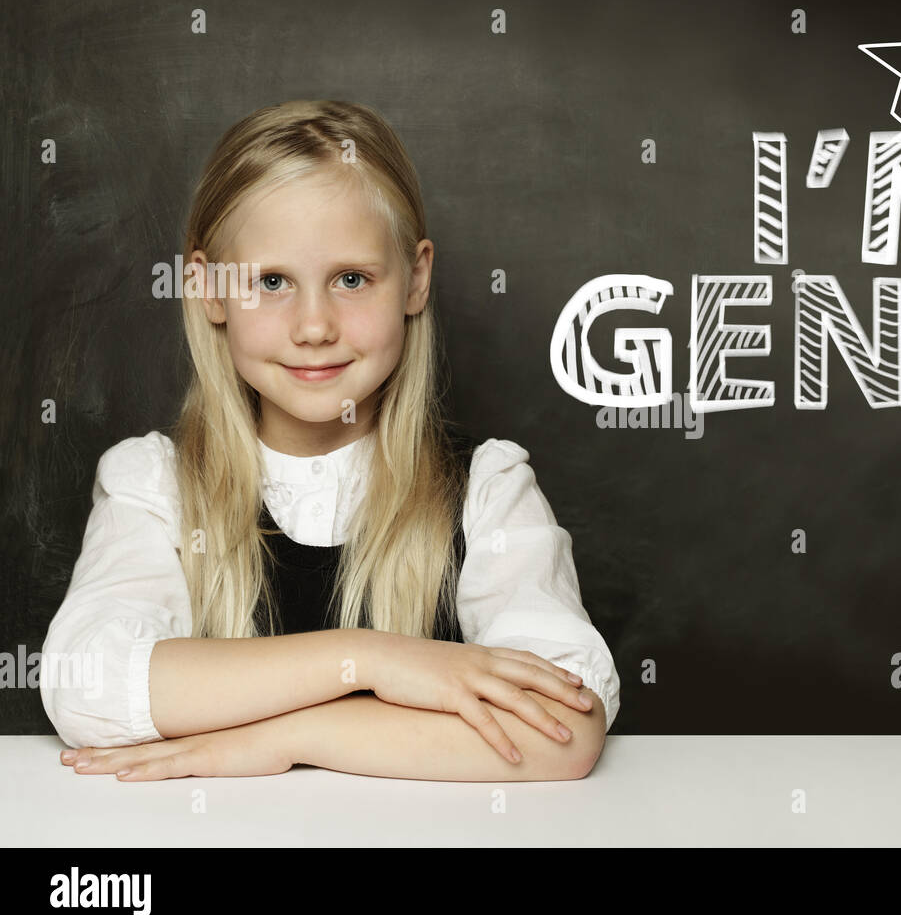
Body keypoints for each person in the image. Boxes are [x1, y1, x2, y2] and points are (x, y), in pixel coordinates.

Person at [39, 100, 618, 782]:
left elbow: (564, 731)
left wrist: (287, 738)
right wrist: (371, 660)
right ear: (209, 291)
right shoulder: (155, 486)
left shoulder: (486, 490)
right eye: (272, 282)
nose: (314, 327)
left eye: (351, 279)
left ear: (416, 279)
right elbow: (86, 685)